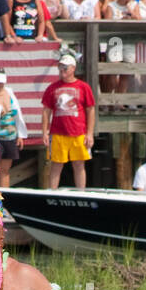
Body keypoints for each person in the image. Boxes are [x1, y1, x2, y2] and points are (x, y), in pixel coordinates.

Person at [41, 54, 95, 189]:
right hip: (58, 132)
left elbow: (90, 110)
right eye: (60, 67)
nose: (62, 70)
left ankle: (81, 193)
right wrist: (44, 132)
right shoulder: (52, 88)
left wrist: (89, 134)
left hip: (79, 132)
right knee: (56, 165)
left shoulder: (83, 87)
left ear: (73, 68)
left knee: (79, 164)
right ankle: (52, 193)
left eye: (65, 67)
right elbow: (46, 111)